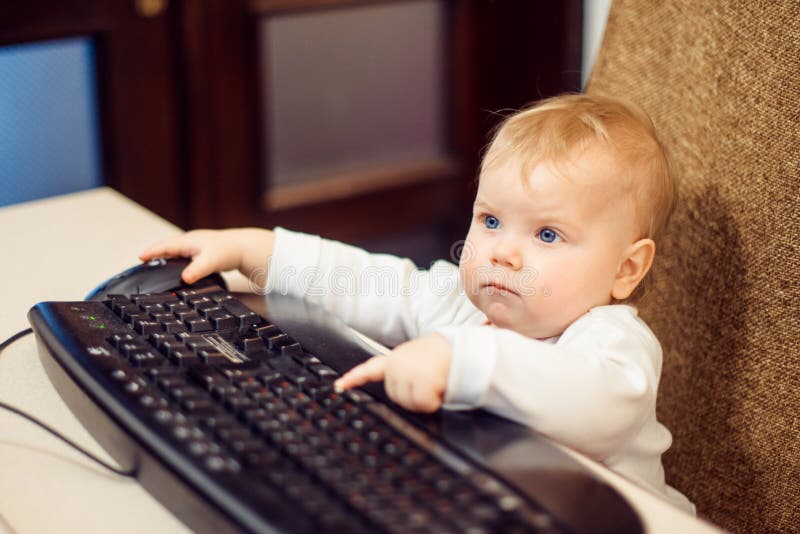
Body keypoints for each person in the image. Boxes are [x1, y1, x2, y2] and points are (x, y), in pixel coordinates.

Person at [140, 93, 695, 513]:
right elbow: (372, 282)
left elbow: (594, 408)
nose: (503, 253)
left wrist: (459, 362)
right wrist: (261, 251)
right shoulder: (458, 301)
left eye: (547, 236)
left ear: (626, 269)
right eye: (492, 220)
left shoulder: (612, 342)